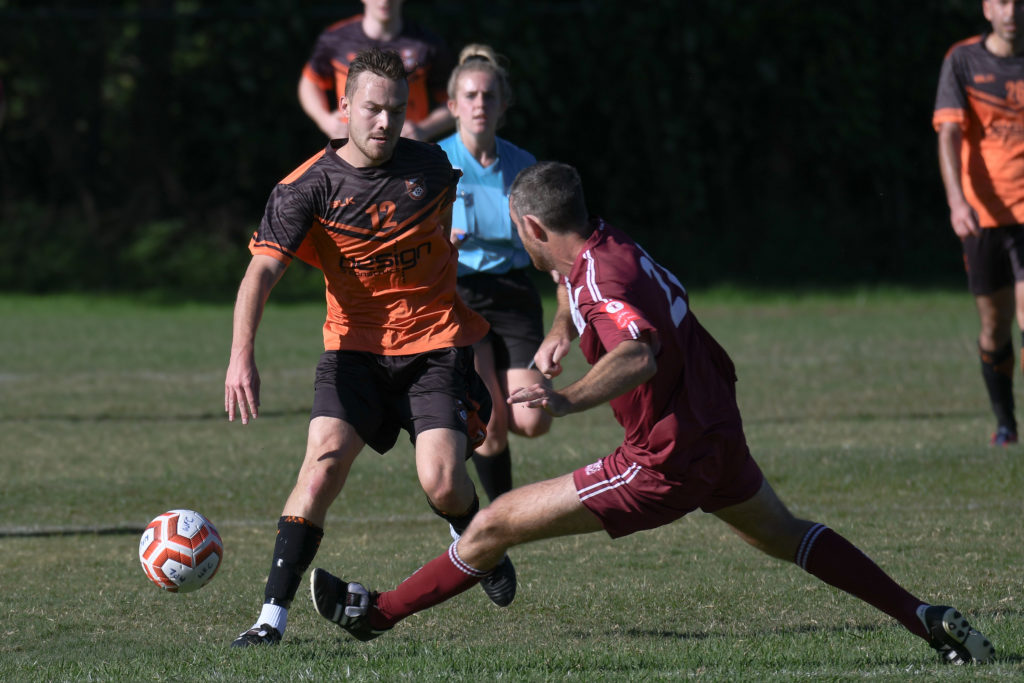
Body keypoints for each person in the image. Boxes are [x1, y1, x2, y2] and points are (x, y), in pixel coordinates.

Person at [307, 162, 996, 665]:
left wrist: (565, 397)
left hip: (663, 458)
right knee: (789, 533)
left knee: (492, 522)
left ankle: (377, 613)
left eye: (524, 236)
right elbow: (578, 293)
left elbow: (638, 350)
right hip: (715, 431)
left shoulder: (598, 277)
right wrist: (556, 338)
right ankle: (926, 617)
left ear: (532, 226)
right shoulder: (605, 247)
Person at [224, 47, 516, 648]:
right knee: (323, 462)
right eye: (373, 110)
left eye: (396, 111)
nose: (385, 123)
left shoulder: (433, 168)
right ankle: (269, 620)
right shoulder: (305, 188)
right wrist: (240, 356)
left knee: (441, 480)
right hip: (353, 351)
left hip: (434, 348)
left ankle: (478, 541)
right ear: (345, 107)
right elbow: (259, 275)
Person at [438, 44, 552, 502]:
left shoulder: (523, 165)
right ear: (452, 106)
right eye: (469, 96)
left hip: (514, 293)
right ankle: (501, 522)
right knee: (492, 423)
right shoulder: (435, 163)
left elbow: (549, 240)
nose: (478, 104)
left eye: (488, 96)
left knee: (533, 420)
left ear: (503, 104)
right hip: (459, 294)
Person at [934, 0, 1024, 446]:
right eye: (1003, 1)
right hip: (984, 216)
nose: (1013, 11)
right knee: (995, 326)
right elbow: (949, 134)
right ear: (988, 8)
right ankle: (1006, 422)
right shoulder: (963, 61)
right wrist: (957, 201)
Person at [298, 0, 454, 142]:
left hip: (407, 152)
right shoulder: (335, 39)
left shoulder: (428, 44)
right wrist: (325, 120)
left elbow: (455, 101)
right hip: (350, 151)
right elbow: (310, 82)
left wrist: (424, 129)